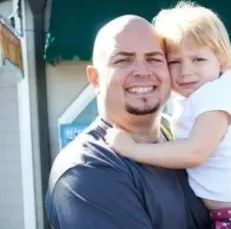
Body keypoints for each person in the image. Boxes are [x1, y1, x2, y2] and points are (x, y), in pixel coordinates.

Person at [105, 2, 231, 228]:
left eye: (198, 59)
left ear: (222, 61)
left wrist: (133, 149)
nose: (186, 71)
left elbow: (195, 151)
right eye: (174, 62)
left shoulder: (216, 94)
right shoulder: (192, 99)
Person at [45, 15, 212, 229]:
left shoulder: (185, 138)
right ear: (95, 78)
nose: (143, 71)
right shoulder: (89, 170)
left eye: (154, 59)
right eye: (123, 60)